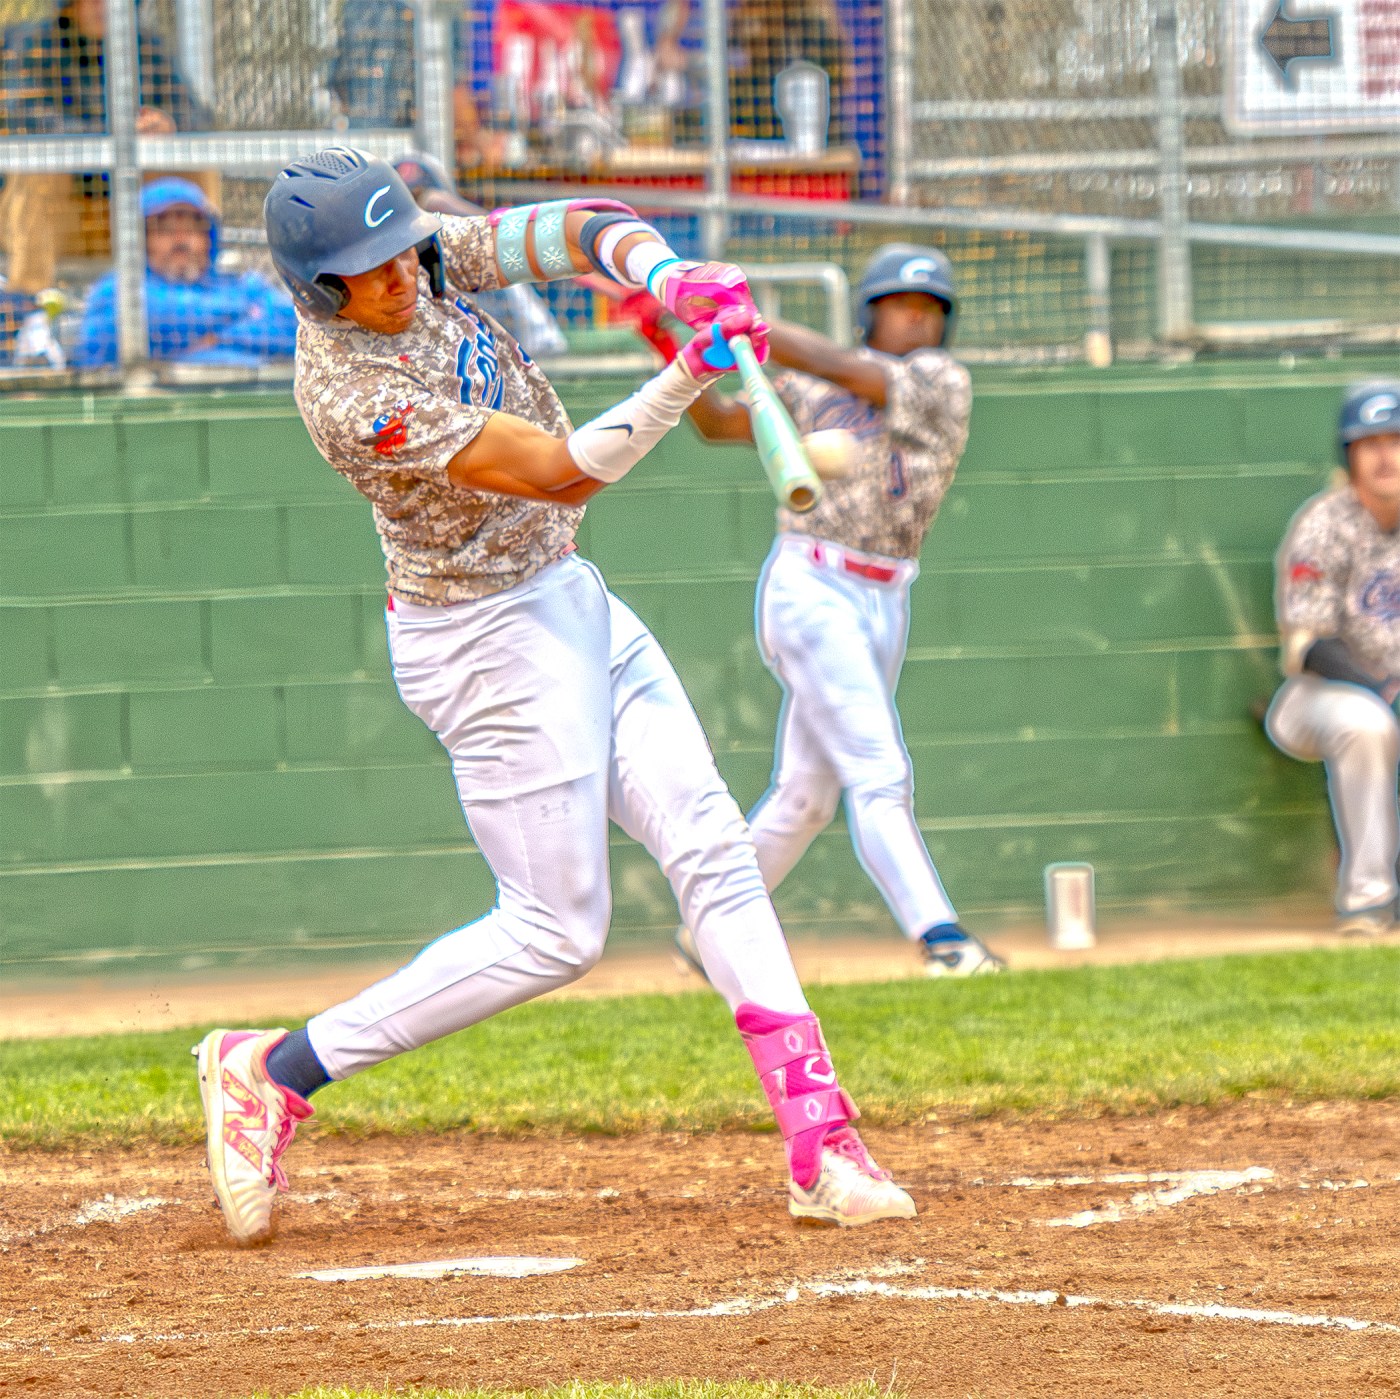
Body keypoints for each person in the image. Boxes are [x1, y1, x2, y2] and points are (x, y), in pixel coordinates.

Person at [193, 147, 916, 1246]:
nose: (399, 275)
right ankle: (270, 1070)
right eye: (367, 268)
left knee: (712, 845)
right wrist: (684, 372)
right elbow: (555, 469)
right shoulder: (351, 393)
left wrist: (669, 280)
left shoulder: (423, 257)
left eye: (399, 250)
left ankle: (821, 1141)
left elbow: (581, 227)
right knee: (554, 932)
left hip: (566, 594)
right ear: (317, 289)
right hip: (479, 639)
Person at [642, 243, 1004, 977]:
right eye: (903, 307)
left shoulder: (938, 381)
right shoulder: (807, 390)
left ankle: (704, 932)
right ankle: (943, 940)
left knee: (806, 798)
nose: (918, 321)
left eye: (930, 310)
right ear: (873, 312)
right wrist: (670, 347)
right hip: (811, 584)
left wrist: (748, 324)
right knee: (878, 771)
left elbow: (847, 370)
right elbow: (718, 424)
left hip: (887, 591)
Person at [1265, 381, 1400, 937]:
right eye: (1369, 443)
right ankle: (1368, 899)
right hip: (1322, 696)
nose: (1386, 455)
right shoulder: (1324, 522)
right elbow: (1311, 646)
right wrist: (1386, 689)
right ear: (1349, 456)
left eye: (1395, 439)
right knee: (1368, 724)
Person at [0, 0, 215, 295]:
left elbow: (197, 116)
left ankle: (197, 289)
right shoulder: (36, 45)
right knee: (40, 171)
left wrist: (168, 124)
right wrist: (113, 135)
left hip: (132, 217)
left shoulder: (147, 47)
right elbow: (24, 116)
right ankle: (26, 310)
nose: (104, 6)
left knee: (197, 162)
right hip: (60, 220)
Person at [72, 177, 298, 368]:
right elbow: (104, 335)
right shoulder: (119, 289)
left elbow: (294, 328)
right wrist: (240, 314)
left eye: (192, 228)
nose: (180, 240)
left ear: (209, 239)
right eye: (165, 229)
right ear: (142, 240)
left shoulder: (241, 286)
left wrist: (217, 338)